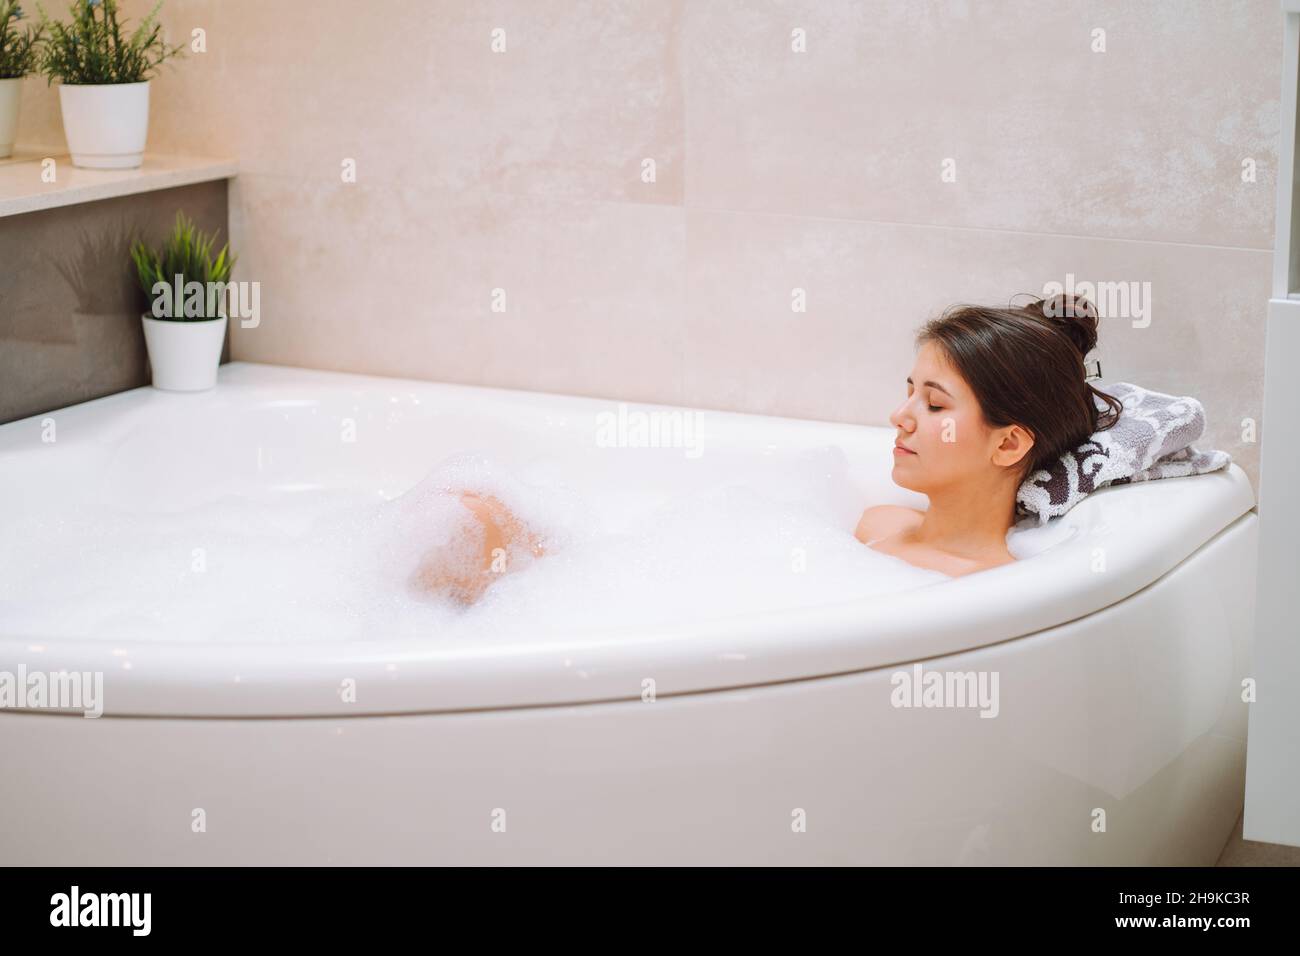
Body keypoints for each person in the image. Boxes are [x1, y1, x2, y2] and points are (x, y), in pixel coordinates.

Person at [855, 293, 1122, 577]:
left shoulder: (993, 587)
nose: (898, 418)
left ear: (1008, 444)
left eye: (935, 404)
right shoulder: (876, 525)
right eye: (910, 393)